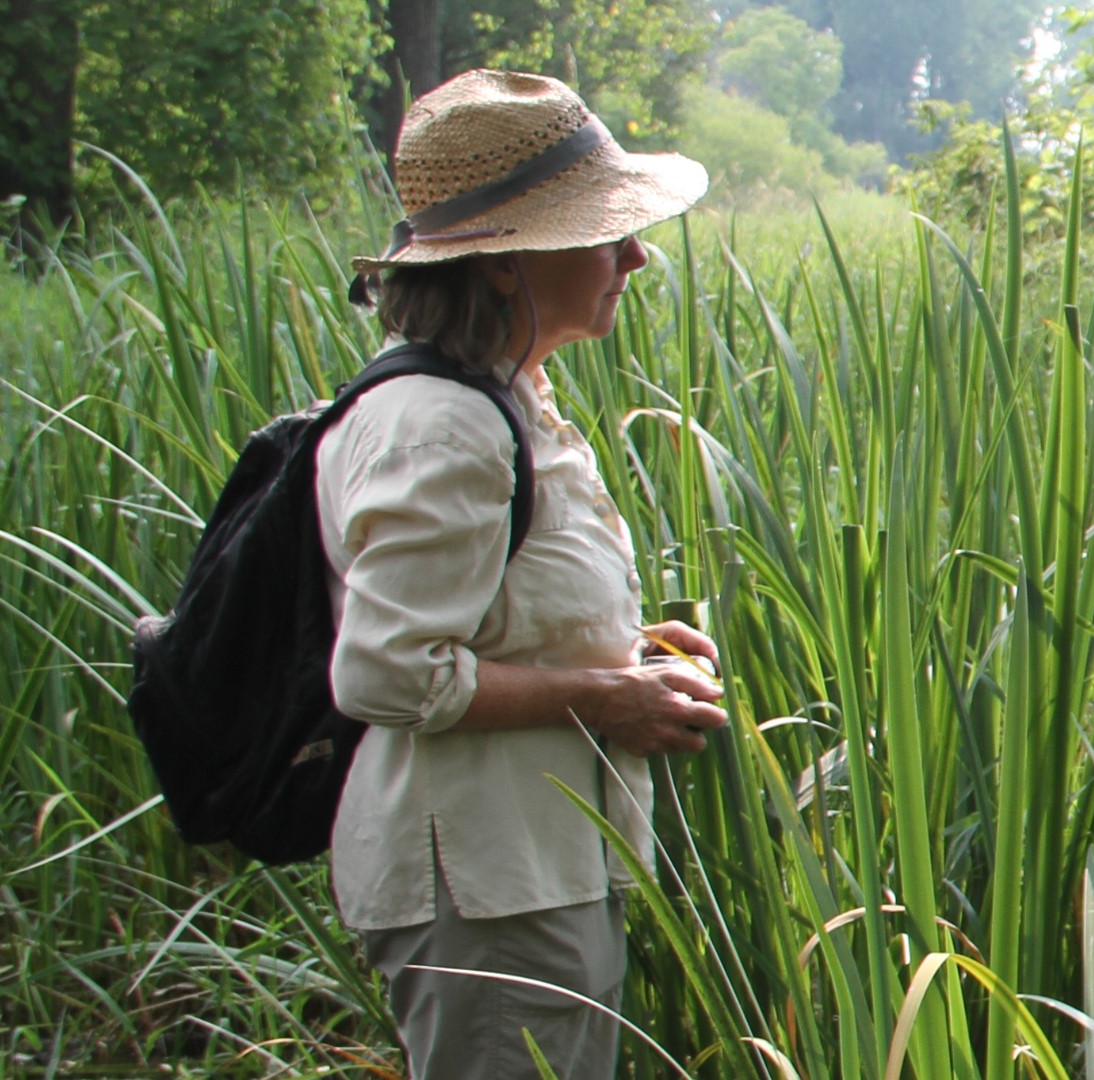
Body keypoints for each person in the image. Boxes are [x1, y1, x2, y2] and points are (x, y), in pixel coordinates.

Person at [327, 68, 726, 1079]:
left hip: (527, 875)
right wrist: (610, 697)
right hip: (485, 893)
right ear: (506, 265)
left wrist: (629, 659)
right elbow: (387, 674)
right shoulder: (449, 425)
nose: (635, 255)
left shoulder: (502, 399)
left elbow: (484, 621)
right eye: (604, 233)